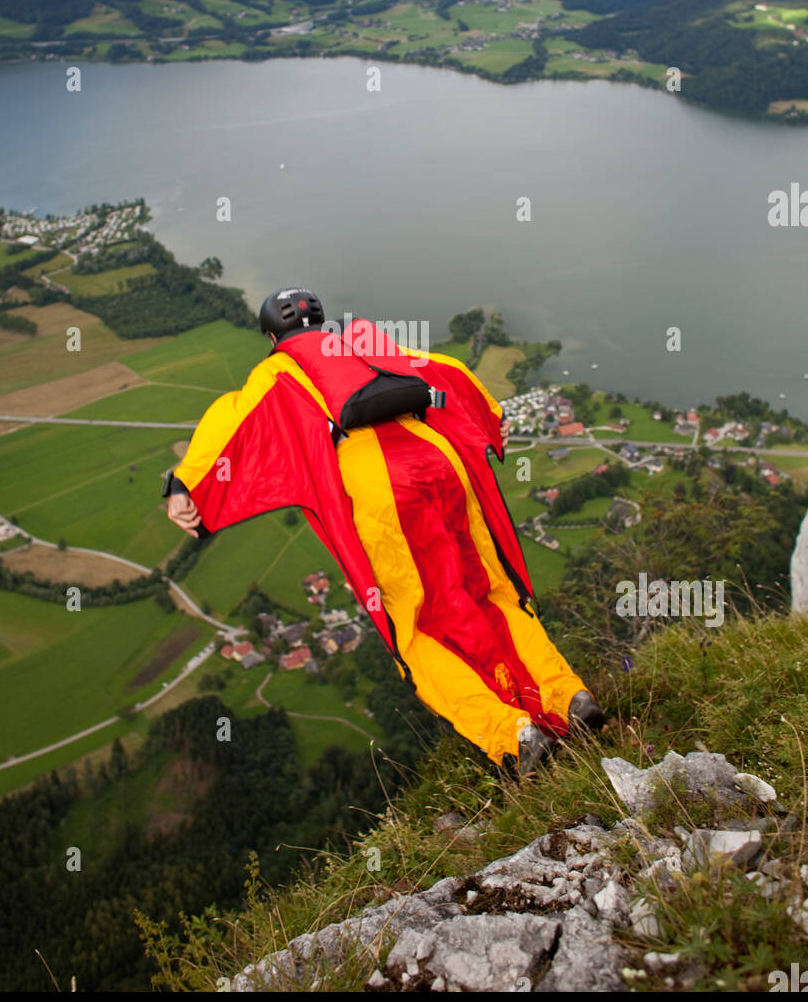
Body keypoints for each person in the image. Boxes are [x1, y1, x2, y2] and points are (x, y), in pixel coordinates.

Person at [166, 287, 604, 774]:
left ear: (273, 335)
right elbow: (448, 372)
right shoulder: (360, 342)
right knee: (491, 591)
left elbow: (232, 420)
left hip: (382, 488)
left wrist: (183, 485)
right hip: (440, 460)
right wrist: (491, 422)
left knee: (417, 627)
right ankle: (568, 698)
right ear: (319, 320)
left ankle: (512, 734)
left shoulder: (277, 370)